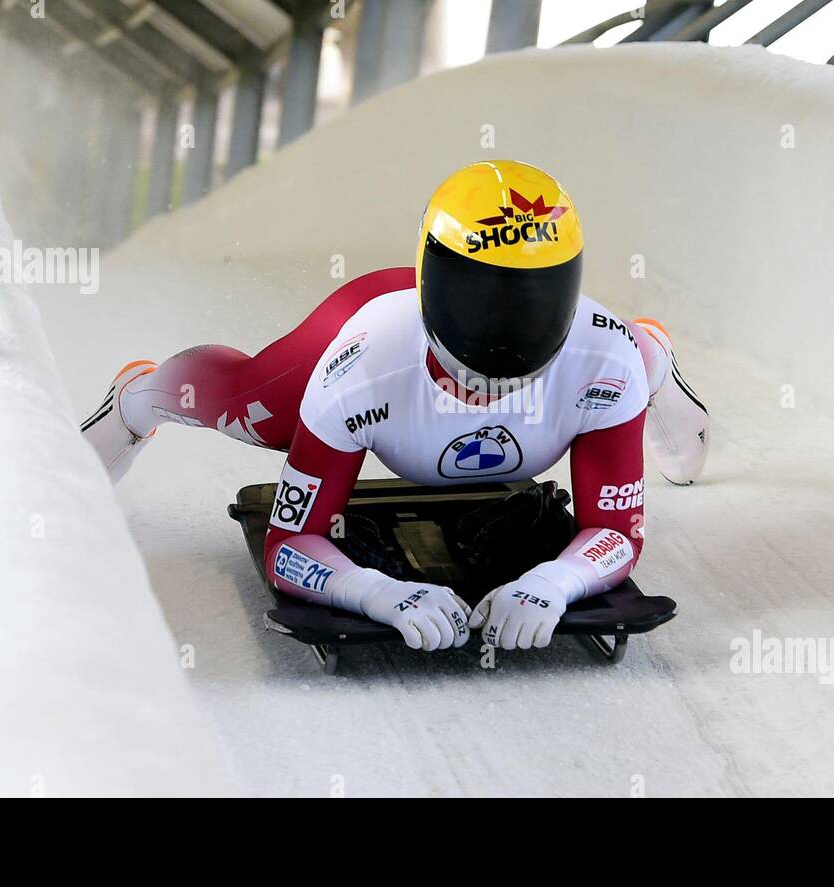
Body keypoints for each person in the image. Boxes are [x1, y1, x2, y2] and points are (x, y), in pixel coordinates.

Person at [81, 160, 708, 652]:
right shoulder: (361, 365)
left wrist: (553, 583)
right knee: (256, 407)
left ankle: (656, 352)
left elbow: (620, 531)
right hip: (368, 327)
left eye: (533, 304)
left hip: (607, 357)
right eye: (478, 301)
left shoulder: (606, 358)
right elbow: (289, 541)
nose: (502, 338)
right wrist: (377, 593)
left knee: (627, 358)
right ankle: (141, 398)